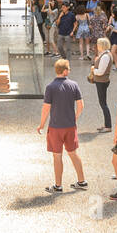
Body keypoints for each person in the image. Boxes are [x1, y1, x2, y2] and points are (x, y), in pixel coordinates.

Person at [38, 59, 87, 194]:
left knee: (57, 156)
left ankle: (58, 186)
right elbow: (81, 105)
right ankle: (82, 181)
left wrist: (41, 125)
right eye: (69, 69)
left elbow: (46, 109)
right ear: (65, 71)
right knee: (73, 153)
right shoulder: (74, 85)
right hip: (70, 126)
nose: (70, 71)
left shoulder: (50, 87)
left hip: (55, 127)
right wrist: (75, 118)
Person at [89, 37, 113, 131]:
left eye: (98, 44)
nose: (97, 46)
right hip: (102, 81)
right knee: (103, 103)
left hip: (101, 81)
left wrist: (93, 69)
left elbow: (100, 71)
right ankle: (106, 124)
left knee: (103, 104)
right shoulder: (104, 54)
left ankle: (108, 126)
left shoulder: (105, 56)